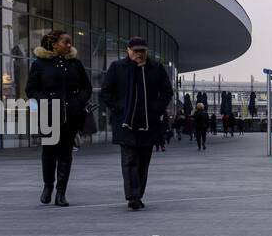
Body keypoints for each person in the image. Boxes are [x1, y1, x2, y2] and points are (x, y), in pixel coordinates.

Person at [99, 37, 173, 211]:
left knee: (143, 161)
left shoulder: (156, 68)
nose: (139, 54)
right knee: (129, 159)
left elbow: (167, 91)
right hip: (126, 123)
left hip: (148, 123)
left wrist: (157, 109)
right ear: (128, 50)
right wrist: (119, 109)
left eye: (142, 51)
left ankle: (138, 193)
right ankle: (133, 196)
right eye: (136, 51)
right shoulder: (118, 68)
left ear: (147, 51)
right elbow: (106, 92)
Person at [26, 30, 92, 206]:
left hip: (71, 114)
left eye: (70, 42)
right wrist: (44, 101)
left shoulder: (75, 64)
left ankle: (61, 193)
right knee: (48, 152)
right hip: (49, 114)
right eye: (65, 42)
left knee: (66, 153)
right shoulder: (40, 64)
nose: (69, 45)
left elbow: (87, 87)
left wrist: (78, 101)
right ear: (54, 44)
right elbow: (31, 89)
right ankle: (48, 185)